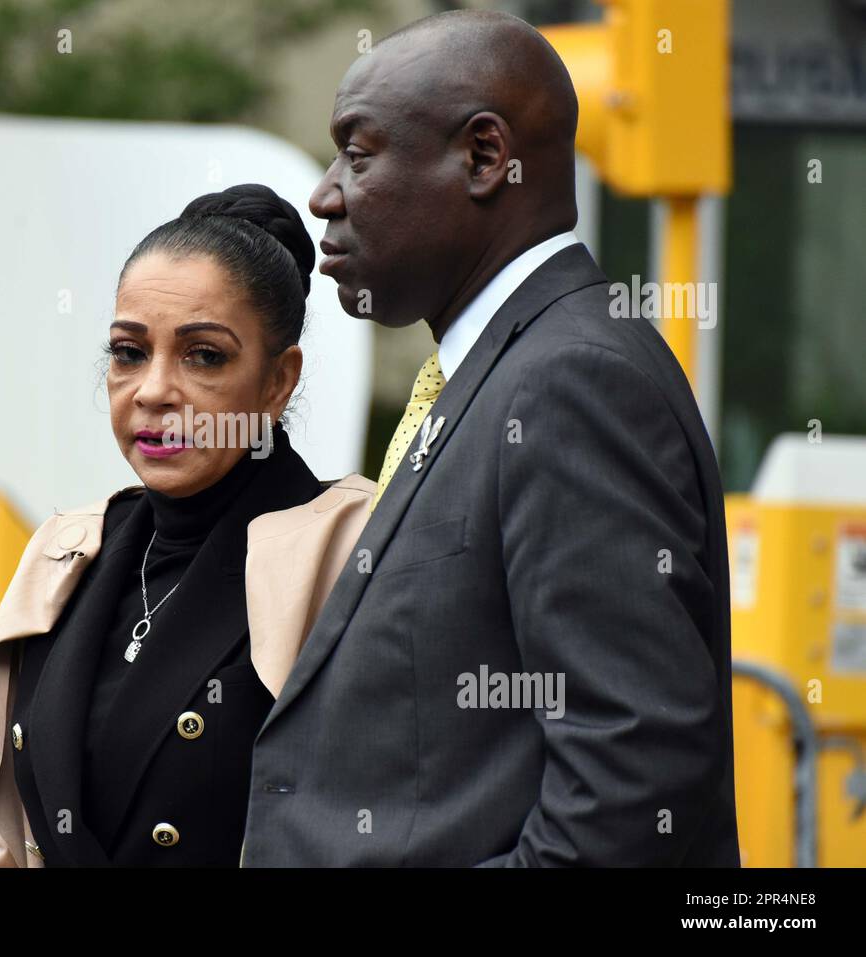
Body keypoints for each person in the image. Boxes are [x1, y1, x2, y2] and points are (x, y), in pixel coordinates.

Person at [241, 11, 740, 866]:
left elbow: (630, 790)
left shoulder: (571, 380)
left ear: (482, 158)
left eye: (357, 155)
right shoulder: (505, 371)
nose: (324, 195)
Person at [0, 184, 375, 867]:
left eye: (203, 355)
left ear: (278, 381)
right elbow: (1, 839)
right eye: (128, 352)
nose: (152, 390)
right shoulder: (68, 550)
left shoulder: (349, 546)